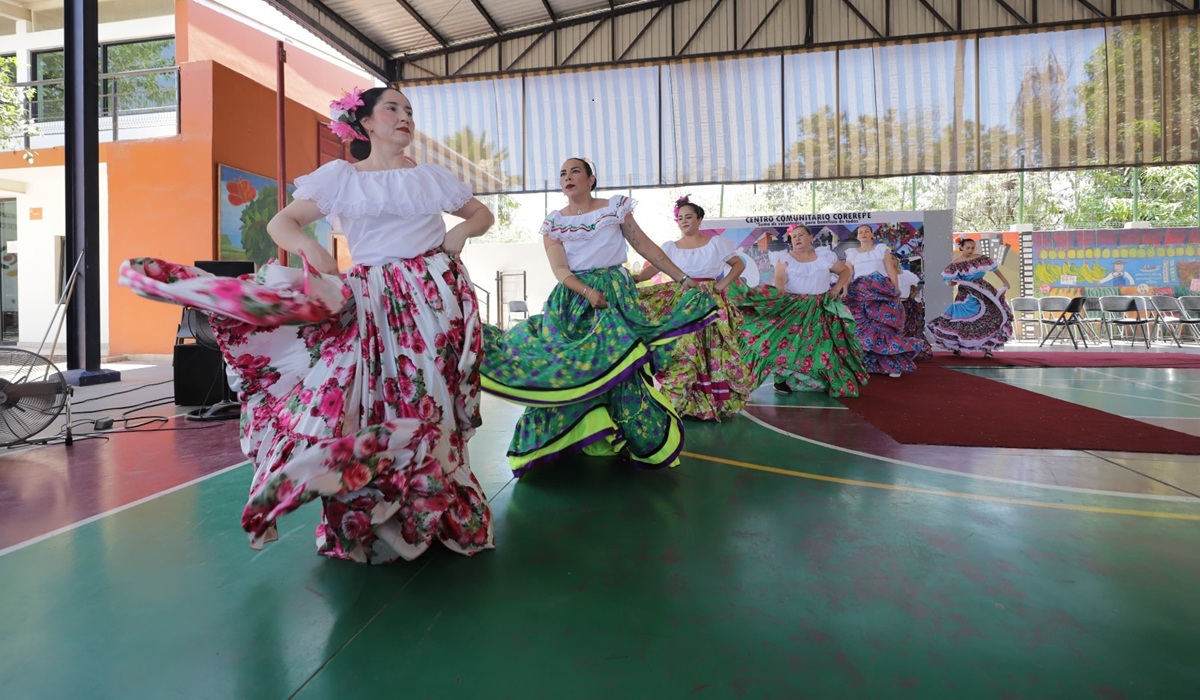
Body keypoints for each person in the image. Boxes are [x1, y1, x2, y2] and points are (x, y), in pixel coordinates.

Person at [119, 87, 495, 564]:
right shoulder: (341, 178)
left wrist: (461, 231)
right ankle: (379, 516)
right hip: (372, 299)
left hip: (432, 297)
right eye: (392, 109)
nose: (404, 117)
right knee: (376, 398)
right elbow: (283, 223)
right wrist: (313, 249)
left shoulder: (431, 177)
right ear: (365, 124)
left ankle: (437, 513)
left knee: (433, 398)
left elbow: (481, 213)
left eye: (409, 111)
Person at [481, 158, 717, 474]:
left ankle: (624, 439)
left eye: (575, 171)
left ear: (592, 179)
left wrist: (683, 278)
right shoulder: (553, 222)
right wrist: (588, 292)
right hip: (574, 300)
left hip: (615, 295)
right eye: (562, 172)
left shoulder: (615, 208)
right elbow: (560, 269)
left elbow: (648, 249)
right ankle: (571, 439)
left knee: (620, 369)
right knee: (571, 367)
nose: (567, 176)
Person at [634, 196, 752, 420]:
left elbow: (738, 264)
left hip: (708, 304)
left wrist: (721, 285)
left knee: (711, 352)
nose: (684, 221)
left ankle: (706, 404)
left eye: (689, 217)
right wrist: (636, 278)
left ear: (699, 219)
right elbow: (650, 270)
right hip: (680, 304)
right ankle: (677, 402)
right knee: (683, 352)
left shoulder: (716, 243)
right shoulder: (669, 247)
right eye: (680, 218)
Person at [736, 224, 869, 397]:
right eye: (794, 236)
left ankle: (822, 379)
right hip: (793, 307)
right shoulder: (784, 259)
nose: (797, 239)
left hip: (821, 308)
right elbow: (779, 279)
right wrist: (778, 295)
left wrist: (836, 289)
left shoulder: (824, 256)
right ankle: (781, 380)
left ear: (810, 237)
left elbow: (844, 271)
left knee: (822, 345)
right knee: (784, 344)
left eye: (800, 235)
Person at [842, 223, 925, 377]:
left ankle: (893, 365)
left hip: (881, 291)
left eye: (867, 231)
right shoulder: (852, 253)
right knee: (863, 329)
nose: (864, 234)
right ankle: (868, 364)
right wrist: (845, 288)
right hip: (860, 293)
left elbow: (890, 270)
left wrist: (896, 288)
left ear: (872, 235)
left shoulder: (881, 249)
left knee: (884, 327)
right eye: (860, 232)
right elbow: (847, 273)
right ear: (857, 236)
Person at [926, 237, 1013, 356]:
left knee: (989, 316)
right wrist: (952, 282)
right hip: (965, 293)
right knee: (960, 318)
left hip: (983, 290)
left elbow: (995, 269)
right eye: (968, 248)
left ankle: (987, 348)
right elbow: (950, 281)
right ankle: (957, 345)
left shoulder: (980, 259)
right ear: (961, 247)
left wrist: (1005, 281)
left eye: (972, 248)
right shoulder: (955, 264)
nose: (970, 250)